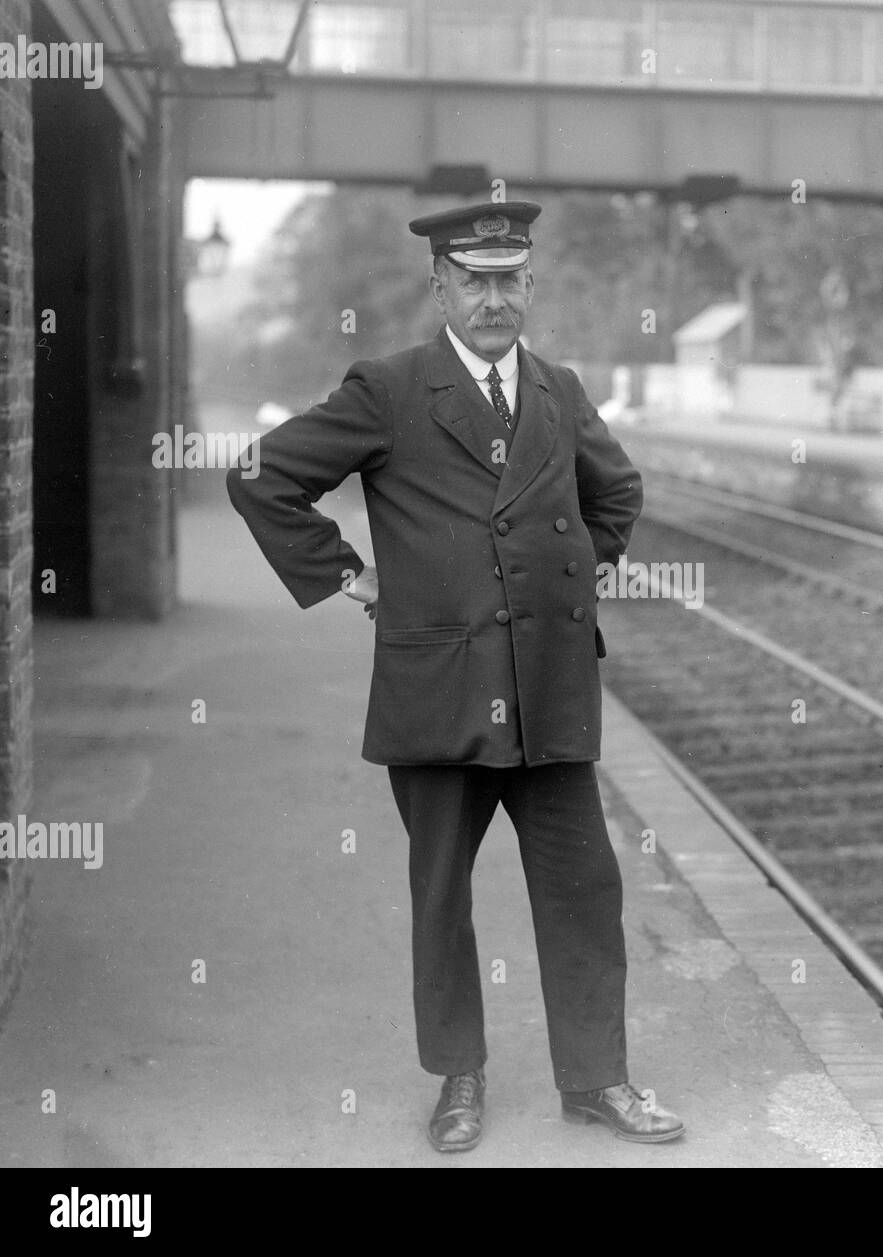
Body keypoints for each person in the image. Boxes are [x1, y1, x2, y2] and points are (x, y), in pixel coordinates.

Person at [227, 200, 684, 1153]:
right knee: (443, 894)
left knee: (586, 891)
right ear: (439, 285)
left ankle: (598, 1079)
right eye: (472, 281)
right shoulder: (392, 388)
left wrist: (558, 587)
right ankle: (459, 1079)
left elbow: (618, 494)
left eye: (507, 279)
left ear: (531, 285)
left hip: (550, 693)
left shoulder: (558, 388)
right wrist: (353, 578)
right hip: (438, 691)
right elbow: (262, 475)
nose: (491, 299)